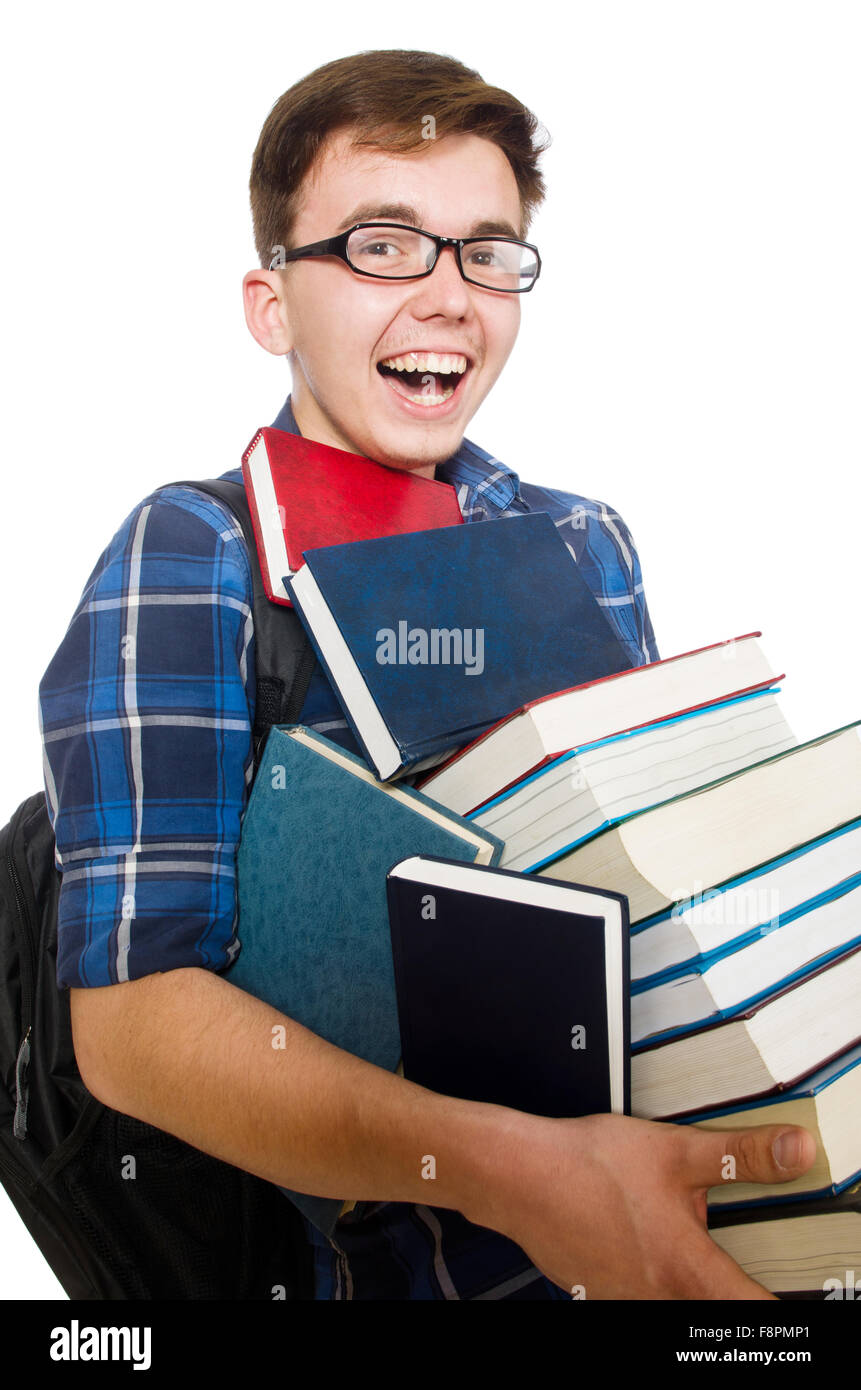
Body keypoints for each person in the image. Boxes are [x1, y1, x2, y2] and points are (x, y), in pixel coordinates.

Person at [38, 49, 816, 1301]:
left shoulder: (583, 542)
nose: (451, 296)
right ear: (271, 303)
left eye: (487, 250)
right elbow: (134, 1029)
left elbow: (646, 900)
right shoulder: (192, 557)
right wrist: (513, 1173)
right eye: (384, 246)